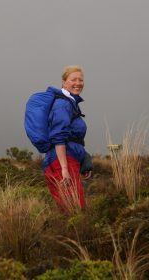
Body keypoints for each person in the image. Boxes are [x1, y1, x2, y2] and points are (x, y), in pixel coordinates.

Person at [42, 65, 92, 212]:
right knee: (75, 209)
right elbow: (59, 137)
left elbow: (72, 139)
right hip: (62, 162)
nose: (78, 83)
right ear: (64, 82)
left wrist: (83, 160)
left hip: (69, 161)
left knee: (70, 209)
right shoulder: (63, 104)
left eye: (81, 80)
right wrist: (64, 169)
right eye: (73, 79)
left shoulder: (70, 104)